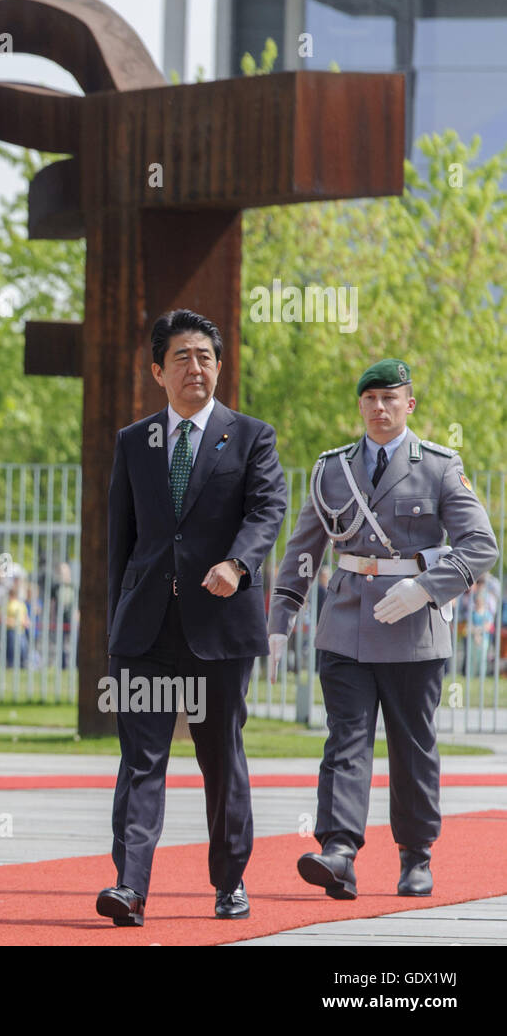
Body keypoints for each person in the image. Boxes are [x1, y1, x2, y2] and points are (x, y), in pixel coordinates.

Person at [268, 359, 498, 899]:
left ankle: (416, 855)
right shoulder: (332, 468)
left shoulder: (439, 466)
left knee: (412, 747)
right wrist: (282, 618)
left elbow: (481, 544)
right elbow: (304, 549)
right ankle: (340, 851)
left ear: (409, 405)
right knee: (344, 742)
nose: (379, 408)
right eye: (370, 399)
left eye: (390, 398)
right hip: (346, 624)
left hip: (413, 630)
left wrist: (426, 588)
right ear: (360, 406)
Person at [100, 309, 287, 926]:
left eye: (205, 356)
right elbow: (119, 545)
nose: (195, 367)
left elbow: (266, 512)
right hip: (146, 631)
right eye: (181, 356)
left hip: (220, 629)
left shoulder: (252, 436)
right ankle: (130, 886)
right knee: (141, 760)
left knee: (220, 757)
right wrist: (116, 626)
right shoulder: (134, 443)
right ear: (158, 371)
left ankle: (229, 881)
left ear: (219, 366)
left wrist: (237, 564)